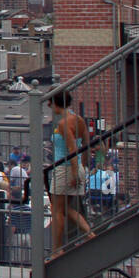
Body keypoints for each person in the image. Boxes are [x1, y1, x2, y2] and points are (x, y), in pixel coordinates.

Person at [48, 90, 94, 254]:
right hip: (77, 167)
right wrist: (83, 168)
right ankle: (89, 234)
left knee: (57, 210)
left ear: (55, 103)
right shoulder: (80, 120)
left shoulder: (63, 123)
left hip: (65, 168)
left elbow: (72, 149)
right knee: (66, 208)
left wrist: (75, 173)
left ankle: (56, 249)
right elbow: (86, 145)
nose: (48, 105)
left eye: (50, 102)